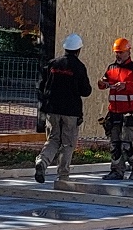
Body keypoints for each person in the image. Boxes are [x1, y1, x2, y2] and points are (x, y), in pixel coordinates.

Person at [35, 34, 92, 188]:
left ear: (65, 48)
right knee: (67, 144)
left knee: (53, 139)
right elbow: (86, 91)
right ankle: (63, 176)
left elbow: (41, 85)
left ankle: (42, 161)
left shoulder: (53, 64)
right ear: (78, 50)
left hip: (52, 109)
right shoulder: (79, 67)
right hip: (71, 112)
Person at [98, 36, 133, 180]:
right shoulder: (111, 68)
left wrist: (127, 85)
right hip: (114, 112)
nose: (118, 55)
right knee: (114, 144)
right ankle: (117, 170)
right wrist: (102, 84)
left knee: (127, 144)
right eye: (116, 52)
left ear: (128, 52)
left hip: (129, 113)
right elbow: (104, 82)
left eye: (120, 52)